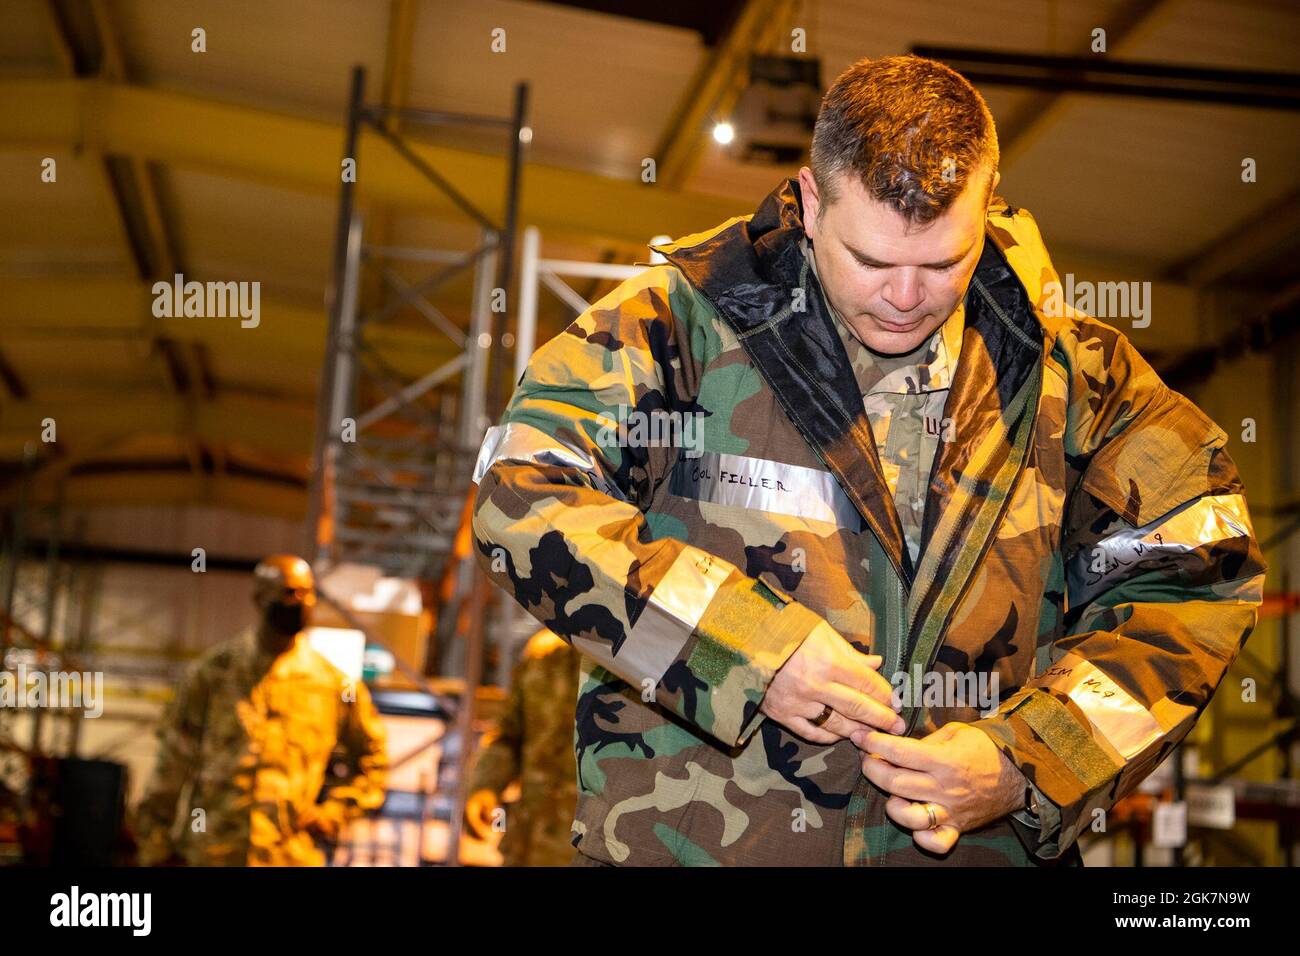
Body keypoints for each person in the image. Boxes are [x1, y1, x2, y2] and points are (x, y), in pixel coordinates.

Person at [471, 55, 1265, 866]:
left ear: (987, 211)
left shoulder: (1080, 377)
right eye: (874, 261)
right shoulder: (682, 322)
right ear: (812, 203)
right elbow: (523, 495)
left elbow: (1200, 577)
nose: (906, 296)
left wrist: (1030, 762)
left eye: (944, 263)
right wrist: (743, 650)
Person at [134, 554, 388, 865]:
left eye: (307, 592)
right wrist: (155, 846)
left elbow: (374, 760)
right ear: (259, 598)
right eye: (288, 592)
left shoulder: (334, 686)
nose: (299, 601)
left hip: (287, 856)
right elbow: (172, 763)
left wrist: (333, 813)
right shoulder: (214, 673)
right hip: (212, 853)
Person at [464, 628, 580, 866]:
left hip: (594, 849)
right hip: (530, 844)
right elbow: (509, 735)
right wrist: (485, 786)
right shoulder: (543, 653)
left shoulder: (641, 661)